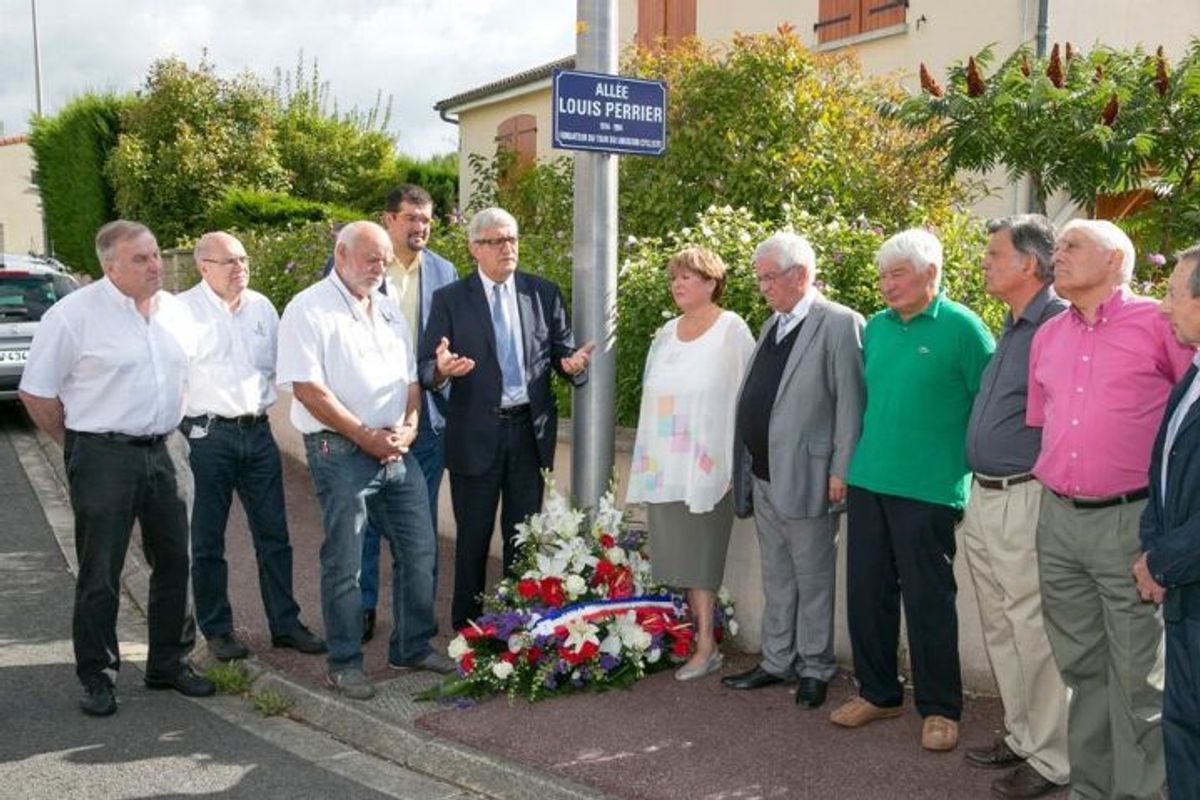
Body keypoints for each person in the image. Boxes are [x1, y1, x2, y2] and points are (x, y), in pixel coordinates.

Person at [18, 220, 214, 717]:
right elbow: (36, 393)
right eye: (140, 259)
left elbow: (188, 376)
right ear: (110, 267)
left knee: (177, 561)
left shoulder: (177, 313)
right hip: (103, 453)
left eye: (155, 255)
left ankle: (169, 663)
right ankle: (98, 676)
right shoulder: (73, 316)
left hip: (167, 449)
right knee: (101, 569)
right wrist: (77, 446)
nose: (155, 266)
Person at [1029, 219, 1192, 799]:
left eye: (1072, 246)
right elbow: (1044, 424)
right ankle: (1091, 790)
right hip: (1057, 518)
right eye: (1058, 246)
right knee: (1081, 668)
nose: (1058, 255)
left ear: (1115, 260)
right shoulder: (1049, 333)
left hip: (1129, 522)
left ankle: (1141, 793)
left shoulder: (1160, 324)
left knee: (1139, 677)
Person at [831, 228, 995, 752]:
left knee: (928, 601)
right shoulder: (877, 328)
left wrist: (967, 472)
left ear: (930, 273)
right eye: (883, 275)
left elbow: (992, 408)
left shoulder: (965, 329)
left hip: (929, 489)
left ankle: (941, 708)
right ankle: (878, 693)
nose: (887, 284)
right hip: (868, 480)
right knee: (866, 595)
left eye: (897, 274)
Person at [277, 221, 452, 701]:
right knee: (347, 560)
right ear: (341, 254)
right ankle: (345, 663)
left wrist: (411, 426)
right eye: (371, 258)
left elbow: (410, 381)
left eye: (385, 261)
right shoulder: (308, 308)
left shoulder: (389, 309)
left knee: (420, 549)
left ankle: (411, 646)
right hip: (340, 450)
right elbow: (308, 389)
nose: (380, 268)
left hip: (395, 448)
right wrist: (363, 435)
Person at [418, 207, 593, 631]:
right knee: (473, 538)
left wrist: (571, 366)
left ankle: (519, 627)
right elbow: (425, 367)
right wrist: (442, 369)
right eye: (496, 241)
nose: (507, 248)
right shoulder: (451, 299)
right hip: (475, 435)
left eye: (512, 238)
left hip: (528, 433)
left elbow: (562, 352)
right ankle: (468, 628)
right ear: (475, 248)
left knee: (523, 538)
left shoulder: (542, 293)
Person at [723, 233, 864, 708]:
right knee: (777, 574)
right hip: (765, 474)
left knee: (814, 577)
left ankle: (816, 667)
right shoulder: (772, 324)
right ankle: (777, 659)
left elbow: (851, 403)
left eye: (769, 277)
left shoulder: (839, 323)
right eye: (759, 278)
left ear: (800, 274)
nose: (763, 286)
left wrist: (842, 470)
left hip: (811, 476)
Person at [960, 216, 1069, 798]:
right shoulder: (1011, 324)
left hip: (1024, 495)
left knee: (1031, 627)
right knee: (1001, 624)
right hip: (984, 494)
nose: (984, 262)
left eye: (994, 254)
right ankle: (1024, 734)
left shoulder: (1057, 324)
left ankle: (1052, 757)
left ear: (1029, 264)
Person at [178, 231, 325, 661]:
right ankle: (217, 630)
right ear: (203, 267)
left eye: (243, 259)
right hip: (207, 437)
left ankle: (285, 624)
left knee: (274, 534)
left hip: (258, 434)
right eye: (229, 261)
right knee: (207, 539)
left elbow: (280, 369)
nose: (240, 267)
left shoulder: (262, 307)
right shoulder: (182, 312)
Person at [626, 246, 755, 680]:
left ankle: (706, 647)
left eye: (686, 276)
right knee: (677, 556)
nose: (677, 284)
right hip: (666, 466)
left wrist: (736, 462)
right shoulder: (666, 332)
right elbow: (651, 397)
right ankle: (691, 639)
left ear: (711, 282)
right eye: (674, 278)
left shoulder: (732, 329)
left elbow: (748, 397)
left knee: (702, 558)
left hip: (708, 467)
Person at [358, 185, 457, 643]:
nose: (420, 227)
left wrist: (442, 370)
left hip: (427, 419)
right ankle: (362, 607)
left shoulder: (444, 271)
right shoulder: (357, 265)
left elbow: (445, 344)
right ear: (389, 219)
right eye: (412, 218)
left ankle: (417, 616)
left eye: (427, 220)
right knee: (363, 519)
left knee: (420, 522)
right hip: (367, 417)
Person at [1138, 244, 1200, 800]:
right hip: (1184, 590)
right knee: (1184, 728)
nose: (1163, 307)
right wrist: (1152, 548)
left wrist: (1161, 561)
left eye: (1174, 294)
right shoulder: (1194, 373)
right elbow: (1165, 471)